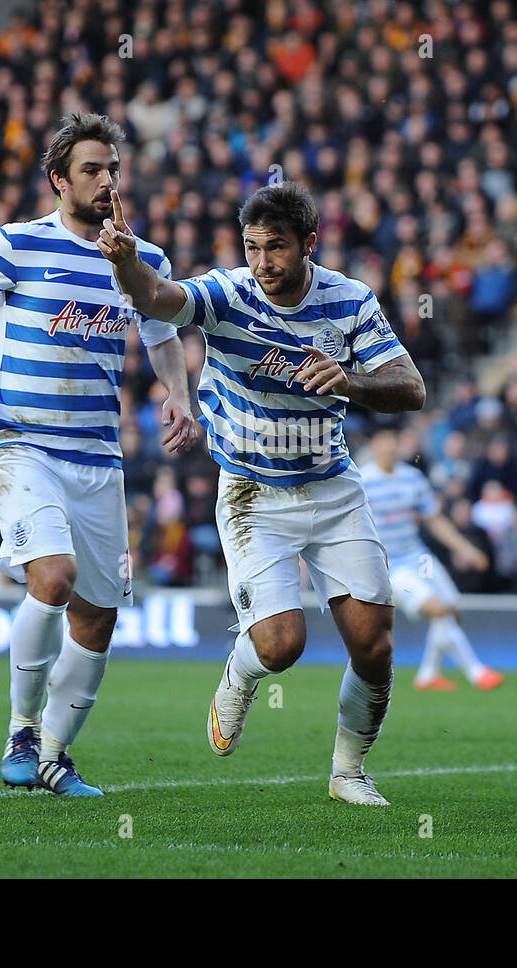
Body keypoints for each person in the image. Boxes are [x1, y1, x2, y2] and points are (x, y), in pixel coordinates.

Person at [100, 181, 425, 805]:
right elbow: (161, 298)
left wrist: (352, 382)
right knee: (281, 645)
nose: (262, 262)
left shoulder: (349, 300)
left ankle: (348, 771)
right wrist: (126, 263)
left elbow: (411, 387)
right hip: (253, 493)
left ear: (309, 243)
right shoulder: (228, 293)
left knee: (373, 642)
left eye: (275, 247)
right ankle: (239, 671)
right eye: (252, 247)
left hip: (332, 488)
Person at [0, 113, 197, 797]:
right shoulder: (18, 244)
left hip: (97, 456)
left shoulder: (142, 259)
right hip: (21, 441)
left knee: (99, 616)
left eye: (113, 170)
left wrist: (178, 394)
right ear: (58, 181)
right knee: (55, 577)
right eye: (92, 171)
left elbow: (161, 331)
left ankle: (52, 754)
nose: (107, 182)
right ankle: (18, 728)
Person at [359, 423, 501, 691]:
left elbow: (434, 520)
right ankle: (476, 671)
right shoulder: (363, 481)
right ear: (374, 446)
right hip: (389, 566)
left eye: (393, 440)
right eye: (383, 441)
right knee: (438, 609)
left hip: (418, 558)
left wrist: (466, 550)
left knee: (453, 609)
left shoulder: (412, 477)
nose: (389, 447)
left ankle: (428, 674)